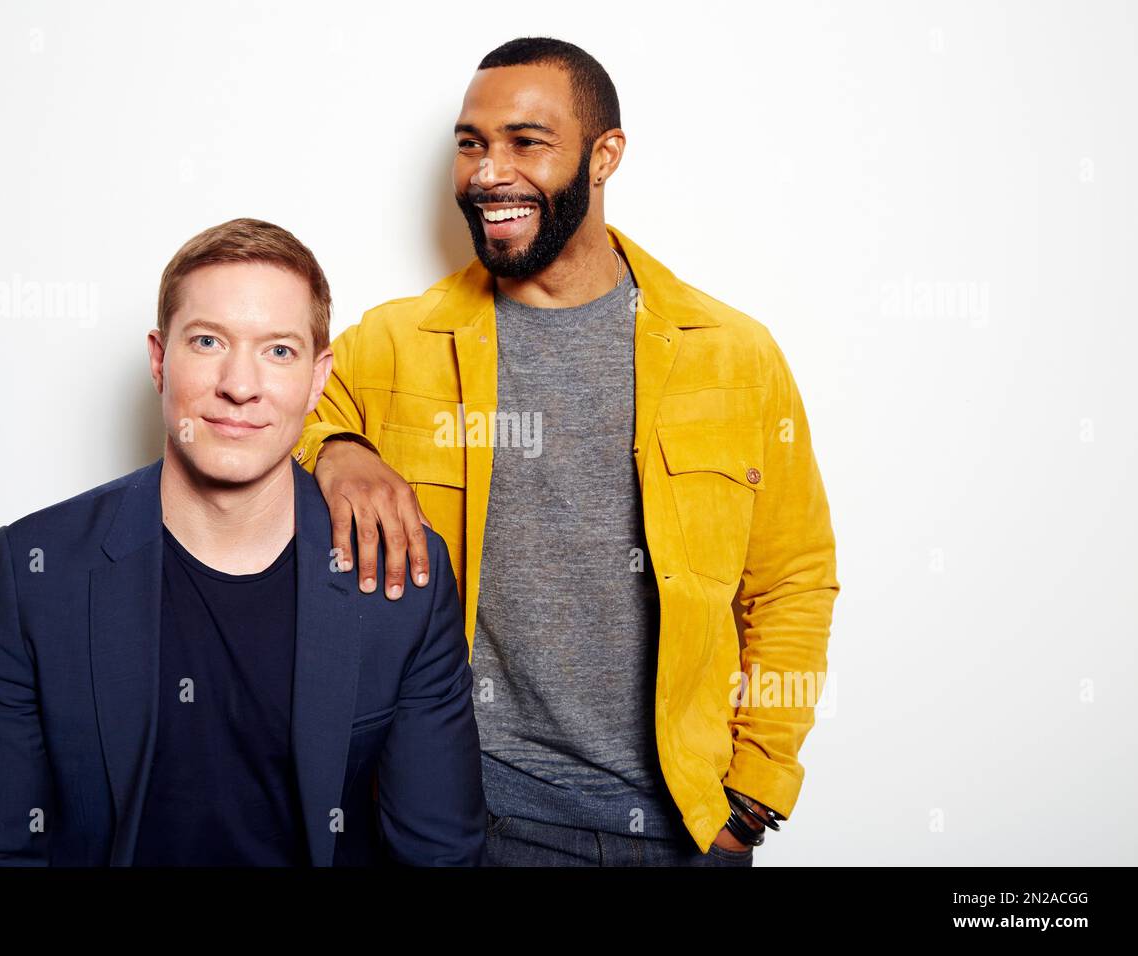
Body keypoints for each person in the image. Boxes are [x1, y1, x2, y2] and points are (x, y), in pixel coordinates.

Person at [291, 38, 840, 866]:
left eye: (527, 142)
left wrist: (755, 796)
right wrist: (335, 446)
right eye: (471, 143)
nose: (488, 172)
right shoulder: (396, 344)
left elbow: (793, 578)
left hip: (681, 826)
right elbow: (267, 421)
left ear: (604, 155)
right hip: (467, 818)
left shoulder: (731, 354)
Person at [0, 218, 486, 866]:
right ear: (160, 359)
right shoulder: (35, 573)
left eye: (278, 350)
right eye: (208, 341)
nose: (240, 385)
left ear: (317, 378)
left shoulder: (401, 576)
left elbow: (440, 857)